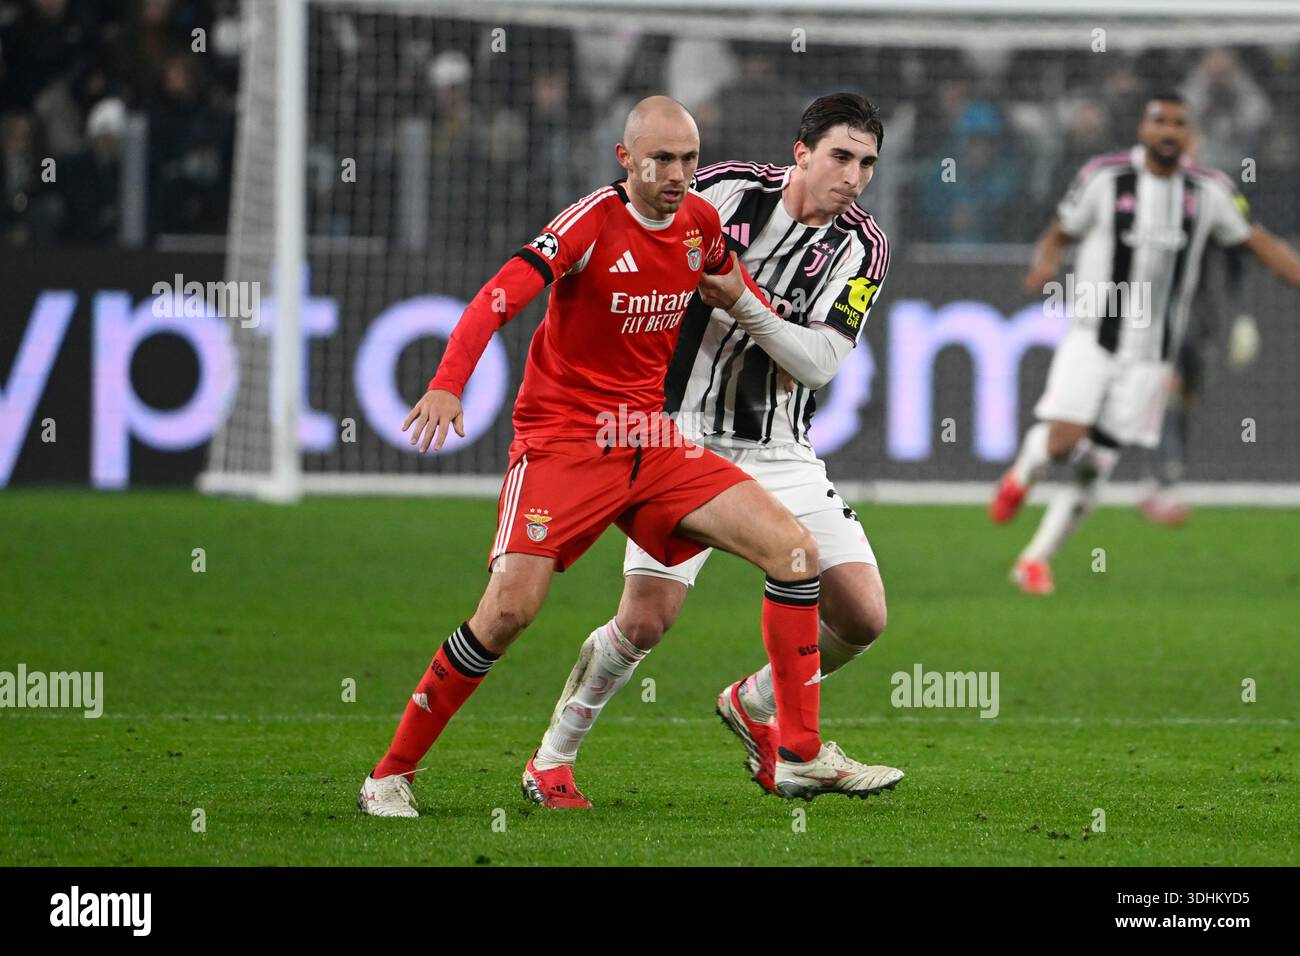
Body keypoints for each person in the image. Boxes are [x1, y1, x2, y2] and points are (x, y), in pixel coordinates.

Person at [358, 95, 893, 817]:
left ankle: (797, 752)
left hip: (671, 442)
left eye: (688, 161)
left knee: (797, 557)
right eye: (664, 160)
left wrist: (742, 299)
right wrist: (449, 383)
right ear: (628, 159)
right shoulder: (612, 217)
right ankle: (394, 773)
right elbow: (498, 295)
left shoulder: (721, 225)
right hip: (575, 440)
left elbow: (786, 330)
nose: (678, 176)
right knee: (515, 611)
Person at [520, 93, 900, 808]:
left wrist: (741, 300)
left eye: (868, 163)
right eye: (841, 157)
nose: (854, 176)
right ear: (801, 151)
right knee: (645, 619)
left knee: (863, 616)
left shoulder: (863, 248)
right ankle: (550, 758)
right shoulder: (721, 192)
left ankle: (755, 704)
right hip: (677, 433)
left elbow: (819, 363)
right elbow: (625, 225)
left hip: (779, 445)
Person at [991, 91, 1300, 594]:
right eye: (1160, 121)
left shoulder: (1212, 192)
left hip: (1152, 357)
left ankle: (1035, 558)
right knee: (1065, 440)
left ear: (1191, 136)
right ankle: (1022, 475)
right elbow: (1060, 231)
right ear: (1143, 129)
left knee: (1099, 462)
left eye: (1180, 123)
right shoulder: (1104, 177)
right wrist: (1044, 263)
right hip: (1095, 337)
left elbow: (1259, 243)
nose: (1169, 131)